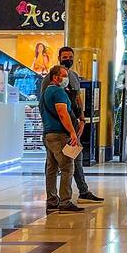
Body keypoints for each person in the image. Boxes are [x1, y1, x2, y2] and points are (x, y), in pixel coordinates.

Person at [57, 46, 103, 203]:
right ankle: (57, 197)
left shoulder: (74, 76)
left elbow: (77, 97)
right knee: (57, 163)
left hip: (74, 121)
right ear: (59, 58)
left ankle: (83, 190)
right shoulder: (53, 77)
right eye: (65, 57)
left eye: (70, 56)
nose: (67, 59)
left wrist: (82, 117)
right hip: (60, 124)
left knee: (76, 157)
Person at [39, 64, 83, 214]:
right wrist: (72, 132)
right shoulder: (58, 91)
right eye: (64, 75)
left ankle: (52, 200)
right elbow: (62, 113)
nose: (66, 78)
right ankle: (65, 201)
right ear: (56, 77)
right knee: (67, 166)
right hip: (59, 135)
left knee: (51, 168)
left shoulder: (45, 92)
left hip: (48, 134)